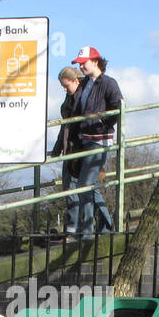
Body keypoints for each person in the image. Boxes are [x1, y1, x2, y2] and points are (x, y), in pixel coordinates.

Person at [69, 45, 119, 236]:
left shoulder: (108, 83)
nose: (81, 67)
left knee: (84, 185)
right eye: (79, 64)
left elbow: (117, 105)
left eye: (84, 63)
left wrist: (102, 122)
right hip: (86, 139)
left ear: (95, 62)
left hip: (98, 140)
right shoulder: (86, 83)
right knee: (89, 185)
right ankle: (106, 226)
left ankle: (88, 230)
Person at [51, 65, 85, 237]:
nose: (64, 89)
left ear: (75, 80)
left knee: (77, 190)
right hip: (69, 150)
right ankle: (74, 229)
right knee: (71, 190)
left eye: (66, 85)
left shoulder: (83, 98)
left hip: (79, 149)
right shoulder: (69, 99)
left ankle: (78, 229)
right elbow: (65, 127)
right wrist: (57, 150)